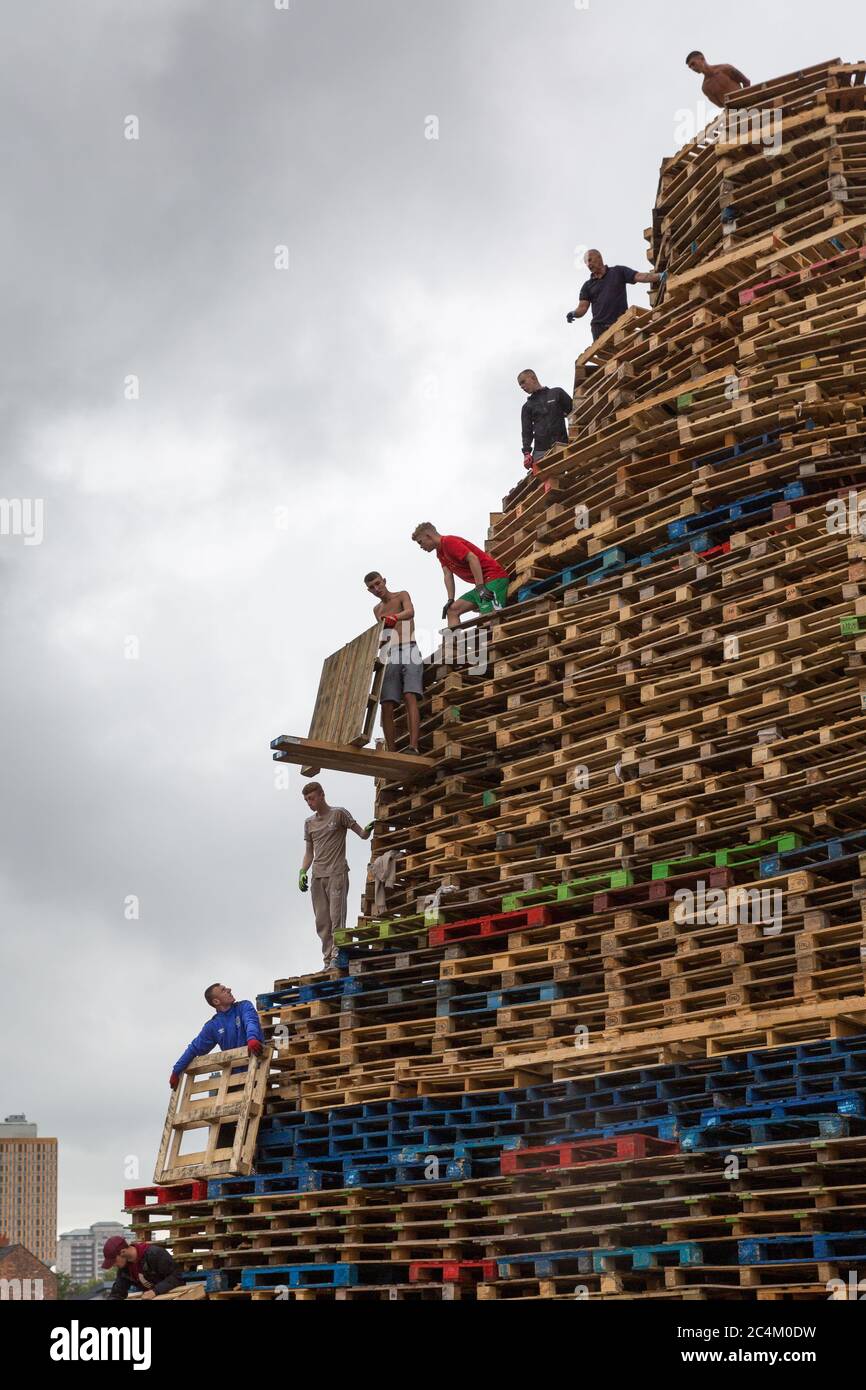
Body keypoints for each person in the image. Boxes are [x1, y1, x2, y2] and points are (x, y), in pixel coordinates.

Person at [299, 783, 373, 970]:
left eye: (312, 798)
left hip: (336, 873)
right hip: (318, 876)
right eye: (307, 800)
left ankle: (337, 956)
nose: (310, 802)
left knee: (336, 918)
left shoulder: (339, 813)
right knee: (322, 921)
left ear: (322, 795)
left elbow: (362, 834)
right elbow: (309, 852)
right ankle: (326, 960)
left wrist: (368, 830)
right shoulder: (309, 823)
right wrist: (302, 871)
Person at [364, 571, 422, 755]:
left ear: (384, 581)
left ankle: (413, 746)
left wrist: (395, 618)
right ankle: (392, 752)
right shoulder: (377, 610)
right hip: (390, 653)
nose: (376, 588)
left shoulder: (401, 595)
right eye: (372, 587)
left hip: (409, 648)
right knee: (386, 703)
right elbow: (384, 635)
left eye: (378, 583)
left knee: (410, 696)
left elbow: (410, 612)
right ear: (369, 590)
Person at [411, 523, 509, 629]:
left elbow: (473, 558)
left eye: (420, 542)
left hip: (494, 579)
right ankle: (453, 645)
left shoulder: (448, 542)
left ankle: (492, 639)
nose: (421, 547)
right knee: (452, 610)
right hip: (481, 585)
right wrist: (450, 599)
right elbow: (447, 575)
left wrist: (480, 586)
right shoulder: (440, 553)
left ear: (428, 536)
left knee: (488, 622)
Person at [169, 984, 263, 1090]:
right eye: (223, 990)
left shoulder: (244, 1007)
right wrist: (176, 1071)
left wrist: (252, 1038)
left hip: (257, 1071)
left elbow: (251, 1021)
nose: (229, 989)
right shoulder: (213, 1025)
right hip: (233, 1079)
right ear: (216, 1002)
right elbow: (194, 1048)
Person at [567, 249, 663, 340]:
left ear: (599, 257)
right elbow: (582, 308)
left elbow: (639, 276)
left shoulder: (618, 271)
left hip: (620, 324)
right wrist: (574, 313)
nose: (588, 265)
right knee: (607, 357)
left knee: (625, 354)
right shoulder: (587, 286)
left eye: (589, 260)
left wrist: (659, 276)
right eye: (586, 263)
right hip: (599, 329)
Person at [517, 370, 572, 470]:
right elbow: (526, 432)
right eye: (520, 385)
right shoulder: (527, 407)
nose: (521, 387)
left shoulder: (556, 393)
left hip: (562, 444)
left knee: (568, 477)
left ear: (533, 378)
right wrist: (526, 453)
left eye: (523, 382)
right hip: (541, 451)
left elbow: (573, 412)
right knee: (541, 483)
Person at [103, 1236, 183, 1301]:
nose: (113, 1265)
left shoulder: (154, 1254)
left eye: (114, 1261)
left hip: (176, 1296)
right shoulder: (124, 1269)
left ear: (123, 1252)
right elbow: (117, 1293)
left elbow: (176, 1277)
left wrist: (155, 1291)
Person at [686, 51, 750, 108]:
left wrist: (745, 99)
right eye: (690, 67)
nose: (693, 68)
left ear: (702, 59)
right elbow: (720, 105)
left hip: (747, 104)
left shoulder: (725, 68)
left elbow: (746, 82)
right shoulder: (705, 87)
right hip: (733, 113)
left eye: (693, 64)